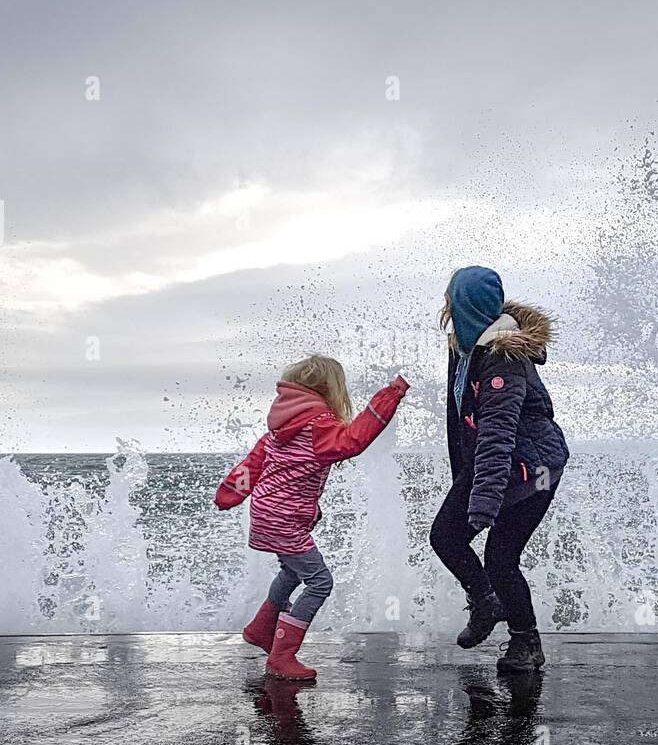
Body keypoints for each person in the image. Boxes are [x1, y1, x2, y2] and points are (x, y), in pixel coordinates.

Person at [216, 354, 408, 680]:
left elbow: (253, 463)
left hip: (265, 514)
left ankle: (262, 628)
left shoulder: (281, 428)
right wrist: (389, 397)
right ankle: (282, 656)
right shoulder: (317, 426)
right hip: (285, 520)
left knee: (292, 572)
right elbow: (354, 440)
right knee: (320, 582)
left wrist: (228, 494)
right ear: (330, 391)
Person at [430, 267, 570, 672]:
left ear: (466, 307)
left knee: (500, 558)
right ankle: (485, 603)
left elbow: (498, 434)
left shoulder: (502, 359)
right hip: (495, 464)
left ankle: (526, 643)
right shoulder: (467, 349)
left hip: (534, 469)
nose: (447, 312)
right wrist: (466, 481)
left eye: (452, 303)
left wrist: (485, 502)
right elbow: (461, 425)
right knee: (446, 536)